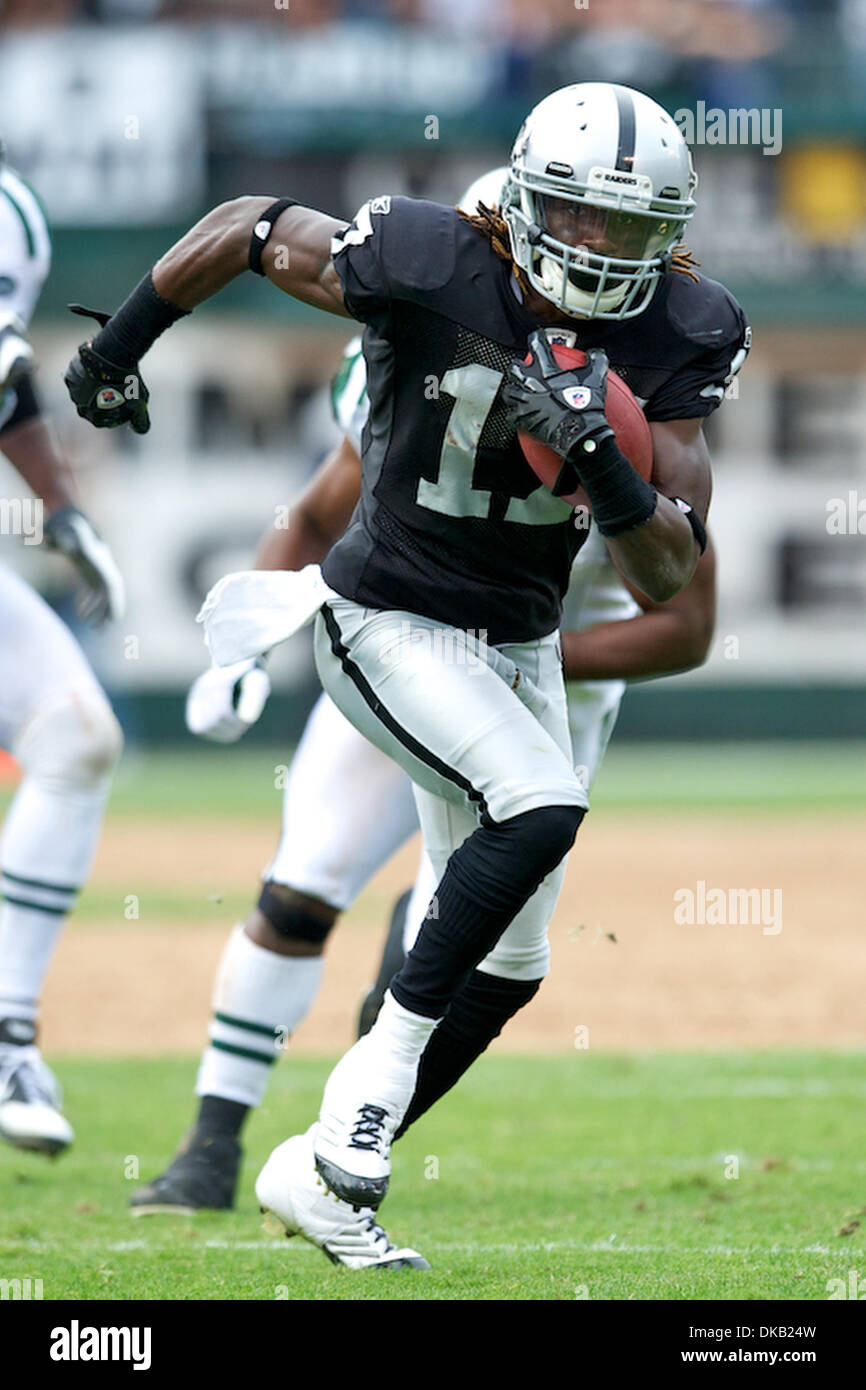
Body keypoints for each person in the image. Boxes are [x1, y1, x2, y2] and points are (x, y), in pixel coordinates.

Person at [64, 82, 748, 1265]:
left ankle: (319, 1164)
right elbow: (247, 222)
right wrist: (117, 349)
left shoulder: (682, 328)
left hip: (517, 640)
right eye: (578, 219)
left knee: (515, 963)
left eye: (629, 230)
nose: (600, 250)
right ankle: (319, 1125)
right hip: (385, 612)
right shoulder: (427, 260)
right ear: (524, 207)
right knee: (527, 808)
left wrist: (607, 468)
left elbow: (665, 583)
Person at [129, 336, 716, 1263]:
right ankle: (210, 1145)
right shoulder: (433, 371)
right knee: (302, 885)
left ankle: (335, 1151)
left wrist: (599, 475)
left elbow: (686, 624)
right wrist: (248, 644)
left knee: (474, 947)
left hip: (540, 689)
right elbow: (320, 509)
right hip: (406, 646)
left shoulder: (641, 415)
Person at [0, 152, 125, 1156]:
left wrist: (63, 514)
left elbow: (6, 381)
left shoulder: (16, 215)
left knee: (76, 736)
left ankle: (5, 1035)